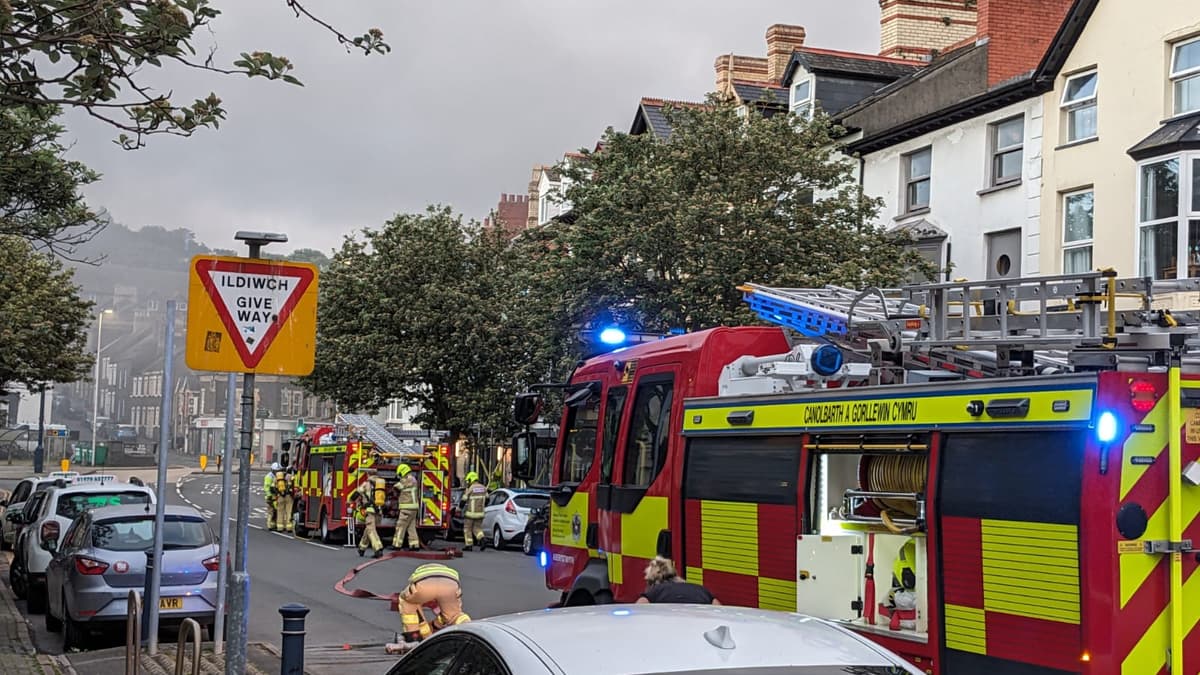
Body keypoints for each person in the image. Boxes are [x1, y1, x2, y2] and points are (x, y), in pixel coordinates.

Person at [398, 563, 469, 643]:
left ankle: (414, 635)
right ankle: (468, 629)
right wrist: (436, 625)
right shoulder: (446, 570)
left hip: (424, 584)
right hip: (450, 584)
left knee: (408, 602)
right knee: (454, 615)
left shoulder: (420, 571)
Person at [635, 557, 720, 605]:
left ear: (652, 583)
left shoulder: (653, 592)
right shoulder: (701, 590)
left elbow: (640, 610)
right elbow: (719, 611)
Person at [392, 464, 421, 551]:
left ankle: (397, 545)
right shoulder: (413, 479)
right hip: (413, 508)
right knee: (411, 527)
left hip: (406, 508)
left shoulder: (407, 479)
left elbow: (397, 486)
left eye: (400, 474)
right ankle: (414, 545)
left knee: (400, 526)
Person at [352, 484, 383, 558]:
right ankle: (361, 548)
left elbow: (354, 496)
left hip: (369, 511)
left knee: (371, 530)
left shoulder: (366, 485)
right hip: (378, 511)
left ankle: (378, 549)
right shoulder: (380, 484)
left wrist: (350, 500)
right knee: (368, 529)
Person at [460, 471, 488, 551]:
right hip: (480, 513)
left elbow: (464, 500)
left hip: (470, 514)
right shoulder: (483, 488)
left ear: (471, 479)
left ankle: (469, 545)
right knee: (477, 528)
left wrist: (459, 508)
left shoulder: (471, 488)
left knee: (467, 528)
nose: (468, 482)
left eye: (468, 481)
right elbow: (487, 499)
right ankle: (482, 539)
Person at [273, 463, 294, 532]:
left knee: (280, 512)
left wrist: (278, 494)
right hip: (289, 496)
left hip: (280, 496)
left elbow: (273, 487)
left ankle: (280, 527)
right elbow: (294, 484)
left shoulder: (277, 477)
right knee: (289, 511)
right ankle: (289, 527)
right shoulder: (290, 476)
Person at [264, 463, 280, 531]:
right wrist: (269, 496)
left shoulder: (278, 476)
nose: (277, 472)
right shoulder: (269, 476)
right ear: (272, 470)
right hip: (271, 496)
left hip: (277, 496)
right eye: (275, 471)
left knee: (277, 511)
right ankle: (270, 525)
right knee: (271, 511)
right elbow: (267, 487)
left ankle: (274, 524)